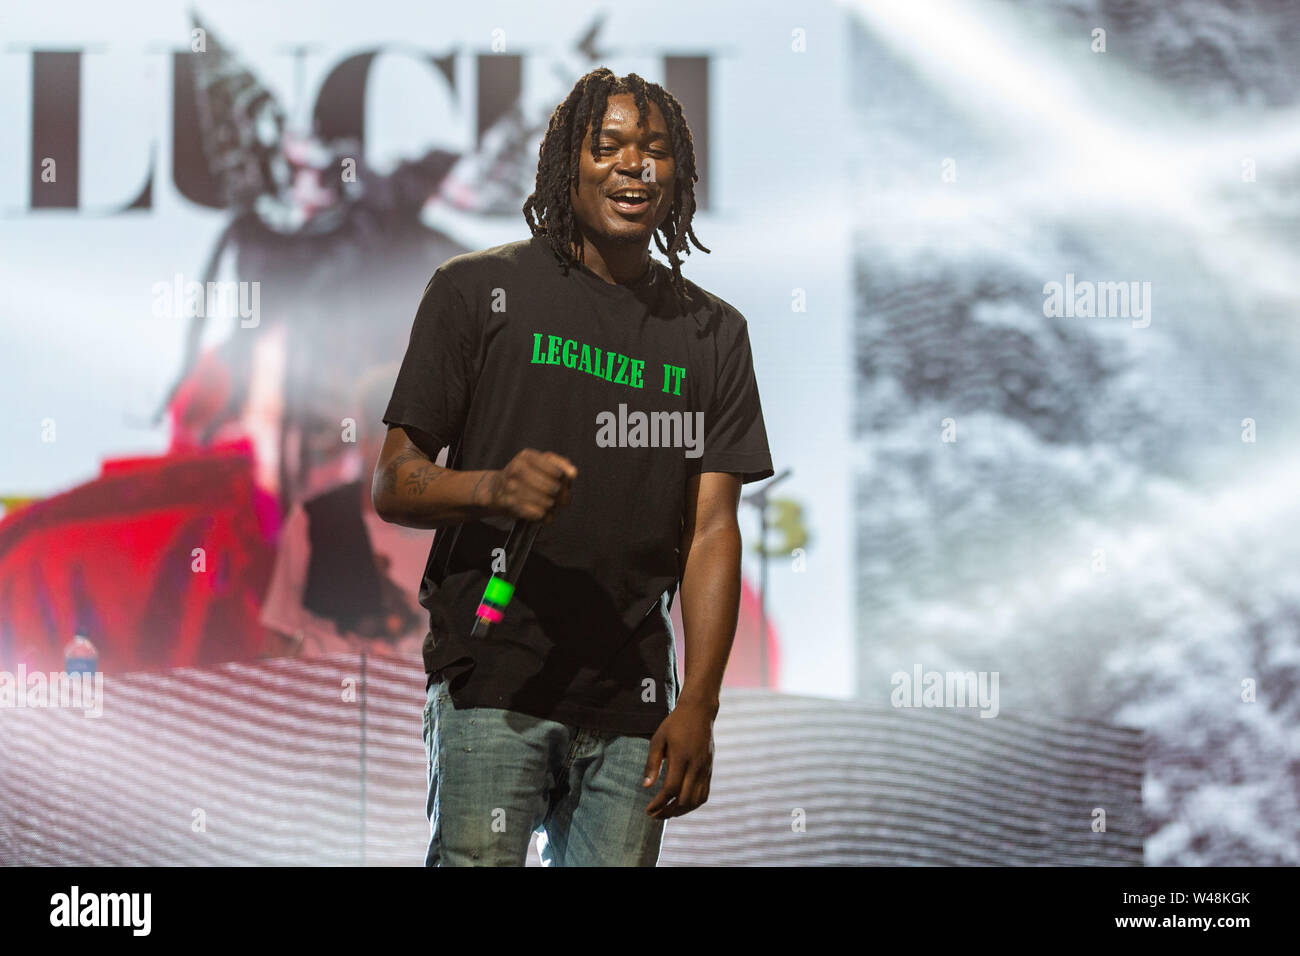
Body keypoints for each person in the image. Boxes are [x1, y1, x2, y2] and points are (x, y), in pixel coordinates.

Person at [373, 68, 774, 867]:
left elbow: (712, 531)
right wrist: (490, 487)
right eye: (612, 146)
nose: (636, 166)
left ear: (679, 174)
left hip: (636, 704)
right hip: (496, 682)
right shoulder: (477, 292)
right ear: (568, 164)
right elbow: (395, 479)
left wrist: (700, 703)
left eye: (655, 150)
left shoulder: (712, 334)